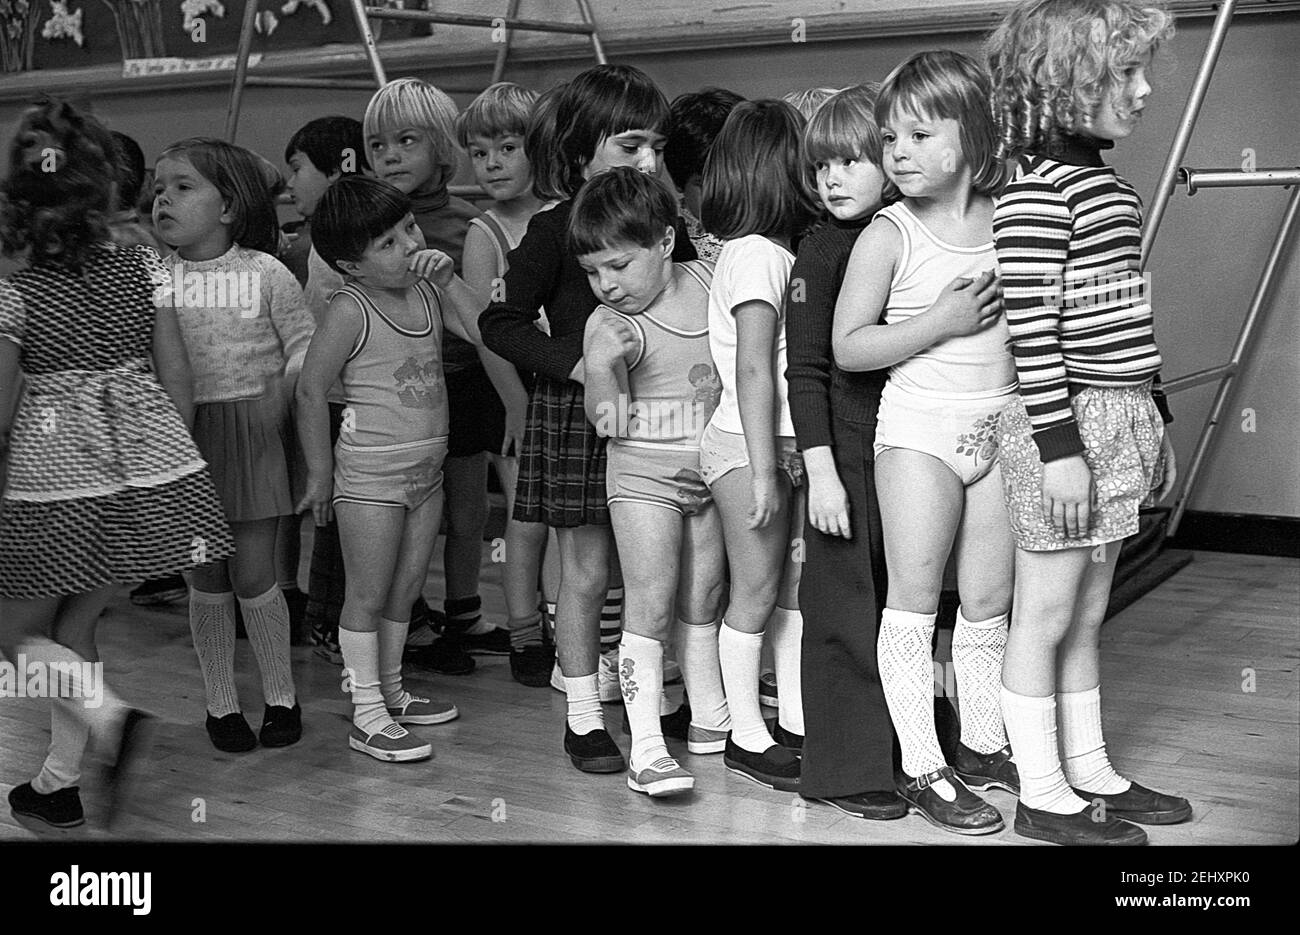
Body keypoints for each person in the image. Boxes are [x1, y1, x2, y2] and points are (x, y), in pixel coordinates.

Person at [987, 0, 1190, 845]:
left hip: (1119, 418)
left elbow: (1120, 321)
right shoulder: (1036, 190)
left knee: (1086, 607)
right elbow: (1032, 330)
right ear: (1059, 82)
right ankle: (1041, 791)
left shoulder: (1109, 185)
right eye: (1122, 75)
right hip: (1062, 428)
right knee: (1043, 611)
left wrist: (1157, 420)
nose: (1144, 92)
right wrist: (1060, 448)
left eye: (1144, 72)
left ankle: (1090, 766)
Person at [0, 98, 232, 827]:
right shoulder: (143, 269)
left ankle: (111, 716)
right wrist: (174, 463)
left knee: (11, 638)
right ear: (106, 189)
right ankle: (58, 781)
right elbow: (178, 373)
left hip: (54, 488)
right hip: (146, 478)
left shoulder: (17, 289)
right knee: (74, 630)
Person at [479, 64, 696, 774]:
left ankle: (656, 699)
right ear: (578, 153)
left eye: (655, 148)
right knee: (586, 570)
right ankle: (581, 714)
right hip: (576, 416)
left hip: (658, 420)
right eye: (631, 146)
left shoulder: (665, 225)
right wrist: (574, 365)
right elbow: (499, 321)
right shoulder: (551, 228)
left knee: (654, 570)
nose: (649, 162)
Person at [833, 51, 1021, 835]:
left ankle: (980, 740)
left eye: (918, 133)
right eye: (888, 138)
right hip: (919, 435)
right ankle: (922, 765)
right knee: (913, 600)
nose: (897, 152)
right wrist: (937, 324)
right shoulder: (890, 232)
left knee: (986, 600)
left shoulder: (1015, 216)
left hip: (1001, 426)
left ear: (975, 136)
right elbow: (849, 346)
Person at [298, 175, 487, 762]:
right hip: (371, 480)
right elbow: (308, 390)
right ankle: (367, 711)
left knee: (406, 589)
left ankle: (392, 691)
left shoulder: (428, 293)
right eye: (387, 242)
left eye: (409, 228)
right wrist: (320, 475)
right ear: (351, 266)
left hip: (424, 473)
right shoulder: (349, 309)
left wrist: (451, 280)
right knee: (369, 592)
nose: (409, 244)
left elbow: (486, 332)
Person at [153, 137, 315, 753]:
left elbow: (303, 343)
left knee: (255, 572)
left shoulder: (265, 272)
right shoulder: (151, 275)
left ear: (229, 207)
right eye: (159, 187)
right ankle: (221, 703)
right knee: (205, 574)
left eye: (183, 186)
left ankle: (281, 695)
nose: (164, 197)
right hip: (183, 437)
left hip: (250, 436)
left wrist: (285, 387)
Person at [576, 167, 730, 797]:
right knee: (651, 601)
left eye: (618, 265)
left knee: (705, 595)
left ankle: (709, 719)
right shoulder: (609, 325)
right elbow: (606, 422)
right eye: (592, 272)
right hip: (641, 476)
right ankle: (644, 746)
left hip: (711, 471)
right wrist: (603, 364)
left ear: (667, 242)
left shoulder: (709, 279)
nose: (606, 285)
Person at [785, 84, 908, 821]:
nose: (833, 178)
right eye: (822, 163)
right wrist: (823, 474)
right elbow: (805, 373)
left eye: (851, 161)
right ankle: (841, 769)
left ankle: (893, 748)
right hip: (843, 455)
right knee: (840, 607)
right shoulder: (821, 246)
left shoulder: (894, 233)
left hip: (898, 446)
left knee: (894, 605)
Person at [698, 99, 821, 792]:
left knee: (793, 592)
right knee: (755, 590)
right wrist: (766, 467)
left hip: (777, 445)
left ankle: (797, 720)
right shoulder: (753, 255)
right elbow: (750, 366)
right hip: (749, 447)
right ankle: (745, 731)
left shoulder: (775, 251)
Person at [363, 78, 503, 675]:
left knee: (468, 508)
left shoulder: (470, 223)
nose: (389, 155)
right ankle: (410, 617)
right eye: (375, 144)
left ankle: (463, 610)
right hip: (398, 397)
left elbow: (482, 318)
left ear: (443, 148)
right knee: (409, 510)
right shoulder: (365, 225)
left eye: (406, 141)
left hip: (466, 382)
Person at [455, 82, 561, 685]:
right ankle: (524, 632)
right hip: (511, 391)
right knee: (526, 518)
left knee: (568, 521)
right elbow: (483, 332)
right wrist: (517, 407)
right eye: (479, 152)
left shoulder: (561, 216)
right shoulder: (483, 233)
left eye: (507, 148)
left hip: (561, 384)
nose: (492, 164)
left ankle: (562, 621)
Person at [283, 115, 367, 665]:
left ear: (339, 167)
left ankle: (339, 619)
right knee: (333, 517)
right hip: (332, 397)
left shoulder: (332, 241)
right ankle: (330, 623)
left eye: (298, 169)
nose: (290, 184)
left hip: (354, 398)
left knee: (344, 520)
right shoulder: (310, 245)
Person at [662, 87, 745, 263]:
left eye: (739, 180)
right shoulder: (665, 246)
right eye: (705, 184)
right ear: (679, 181)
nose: (727, 196)